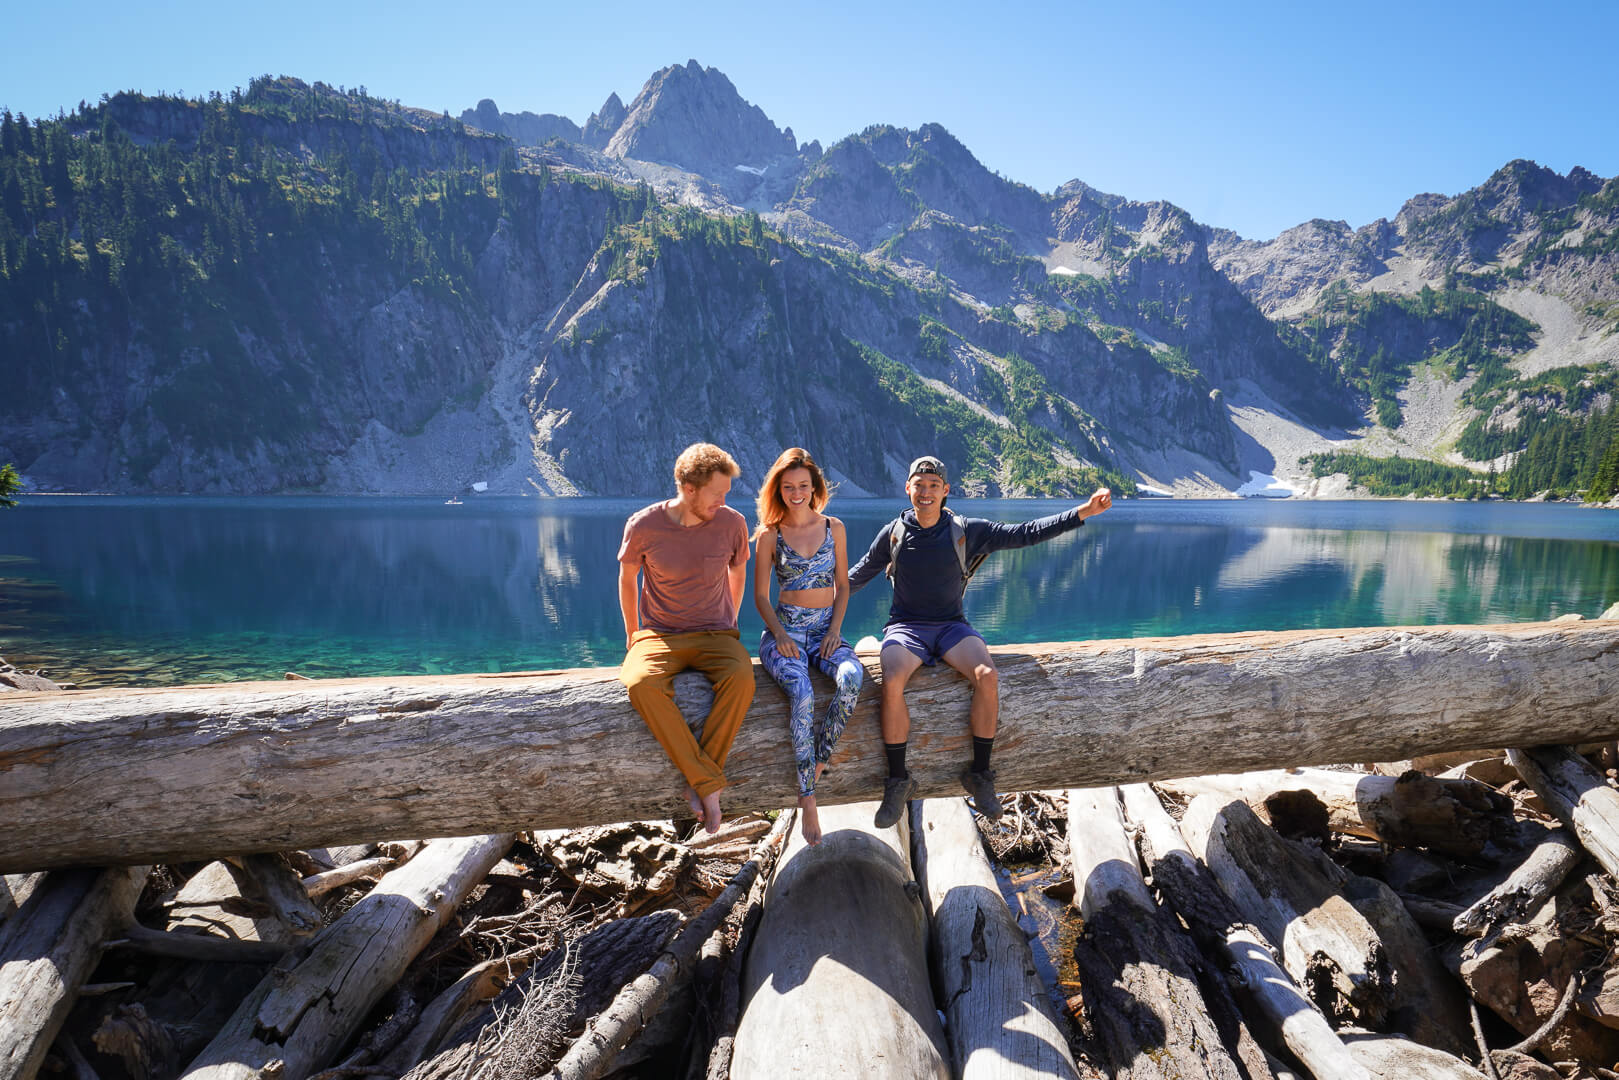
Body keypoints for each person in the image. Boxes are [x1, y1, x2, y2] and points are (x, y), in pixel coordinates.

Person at [849, 455, 1112, 828]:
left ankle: (980, 774)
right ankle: (897, 780)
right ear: (907, 488)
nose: (925, 493)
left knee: (987, 674)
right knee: (892, 678)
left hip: (952, 627)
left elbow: (1026, 533)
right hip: (906, 627)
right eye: (919, 485)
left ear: (945, 491)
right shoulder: (893, 534)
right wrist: (803, 599)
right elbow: (854, 579)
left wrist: (1083, 512)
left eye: (933, 486)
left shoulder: (965, 530)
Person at [618, 443, 754, 834]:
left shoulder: (732, 523)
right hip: (659, 635)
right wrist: (632, 632)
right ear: (689, 488)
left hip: (716, 632)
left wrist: (730, 615)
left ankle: (700, 782)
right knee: (640, 684)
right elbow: (628, 579)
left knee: (742, 679)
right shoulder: (643, 525)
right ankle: (707, 785)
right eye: (717, 493)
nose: (723, 501)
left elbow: (739, 572)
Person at [752, 447, 864, 845]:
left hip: (823, 632)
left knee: (853, 678)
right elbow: (760, 597)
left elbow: (844, 585)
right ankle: (808, 797)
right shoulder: (770, 533)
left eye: (803, 485)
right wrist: (780, 635)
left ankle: (820, 757)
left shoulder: (835, 527)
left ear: (814, 486)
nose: (796, 493)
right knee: (801, 693)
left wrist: (835, 629)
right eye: (788, 487)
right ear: (778, 489)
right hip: (783, 634)